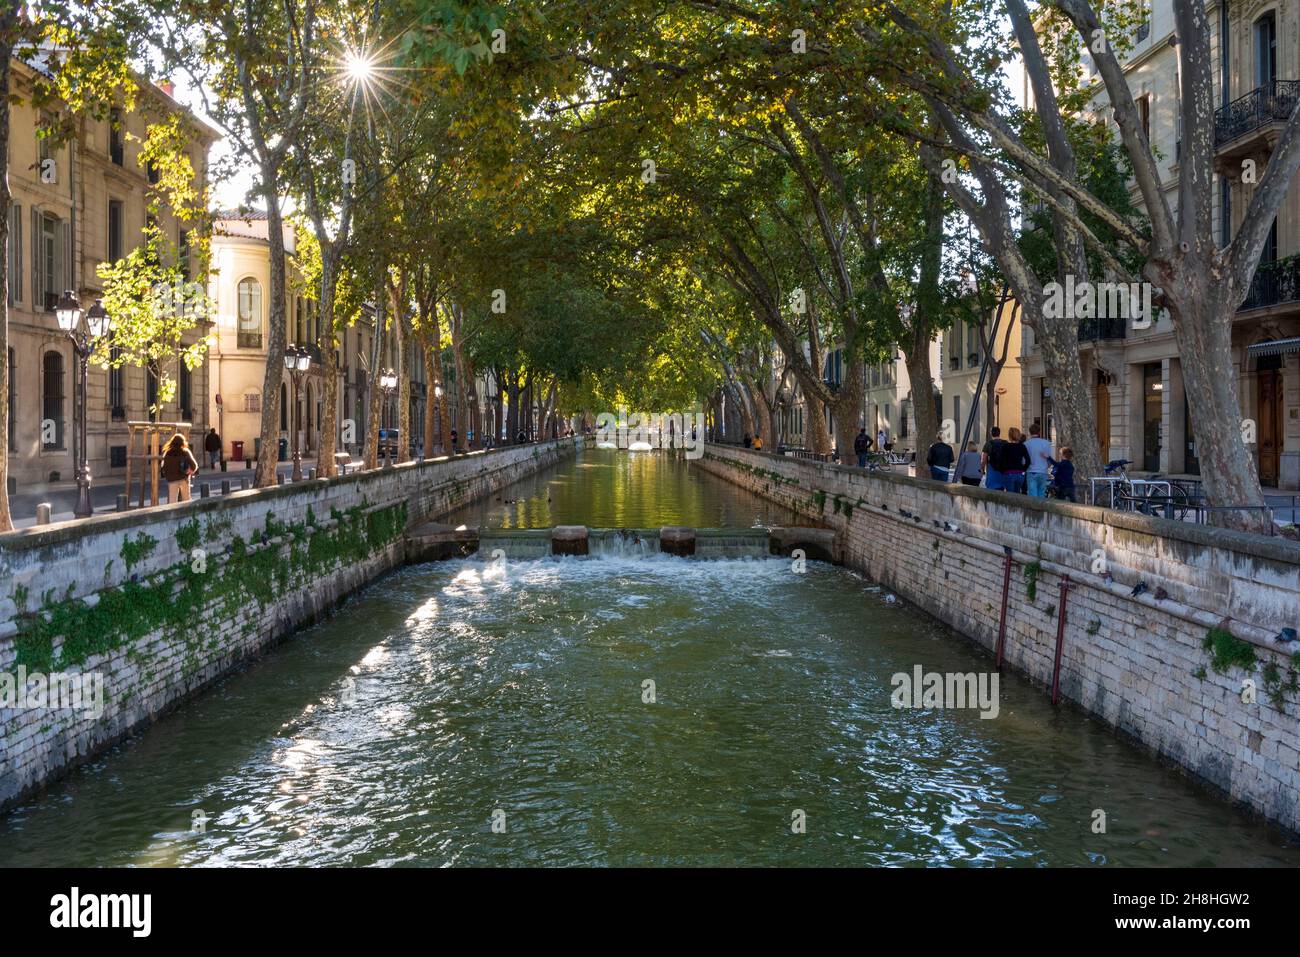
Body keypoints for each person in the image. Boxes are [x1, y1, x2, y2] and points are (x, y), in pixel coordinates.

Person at [161, 432, 199, 503]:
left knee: (172, 501)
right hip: (183, 478)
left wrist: (168, 476)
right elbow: (194, 465)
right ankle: (187, 513)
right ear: (183, 442)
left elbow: (164, 467)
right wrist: (189, 472)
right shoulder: (185, 452)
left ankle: (172, 514)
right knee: (186, 500)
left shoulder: (167, 453)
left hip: (172, 479)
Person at [996, 427, 1030, 493]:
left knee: (1010, 495)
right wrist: (1023, 469)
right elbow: (1028, 460)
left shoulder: (1005, 446)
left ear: (1010, 436)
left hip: (1009, 473)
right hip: (1020, 473)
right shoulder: (1022, 446)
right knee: (1017, 494)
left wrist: (1002, 470)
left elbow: (1000, 460)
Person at [1025, 422, 1054, 498]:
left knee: (1033, 495)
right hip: (1043, 471)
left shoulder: (1026, 444)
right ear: (1039, 432)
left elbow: (1024, 460)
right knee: (1041, 494)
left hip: (1031, 471)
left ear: (1030, 432)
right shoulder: (1046, 443)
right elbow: (1049, 459)